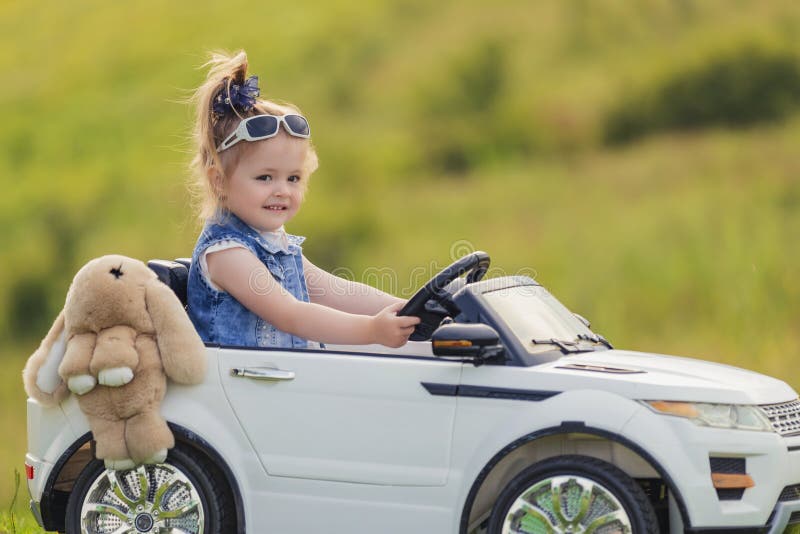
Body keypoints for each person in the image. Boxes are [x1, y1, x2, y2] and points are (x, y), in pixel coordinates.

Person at [185, 50, 420, 350]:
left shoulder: (274, 243)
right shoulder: (227, 253)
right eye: (265, 178)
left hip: (286, 383)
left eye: (293, 178)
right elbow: (290, 315)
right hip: (246, 390)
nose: (282, 190)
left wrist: (409, 308)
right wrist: (372, 330)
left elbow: (337, 291)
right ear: (219, 180)